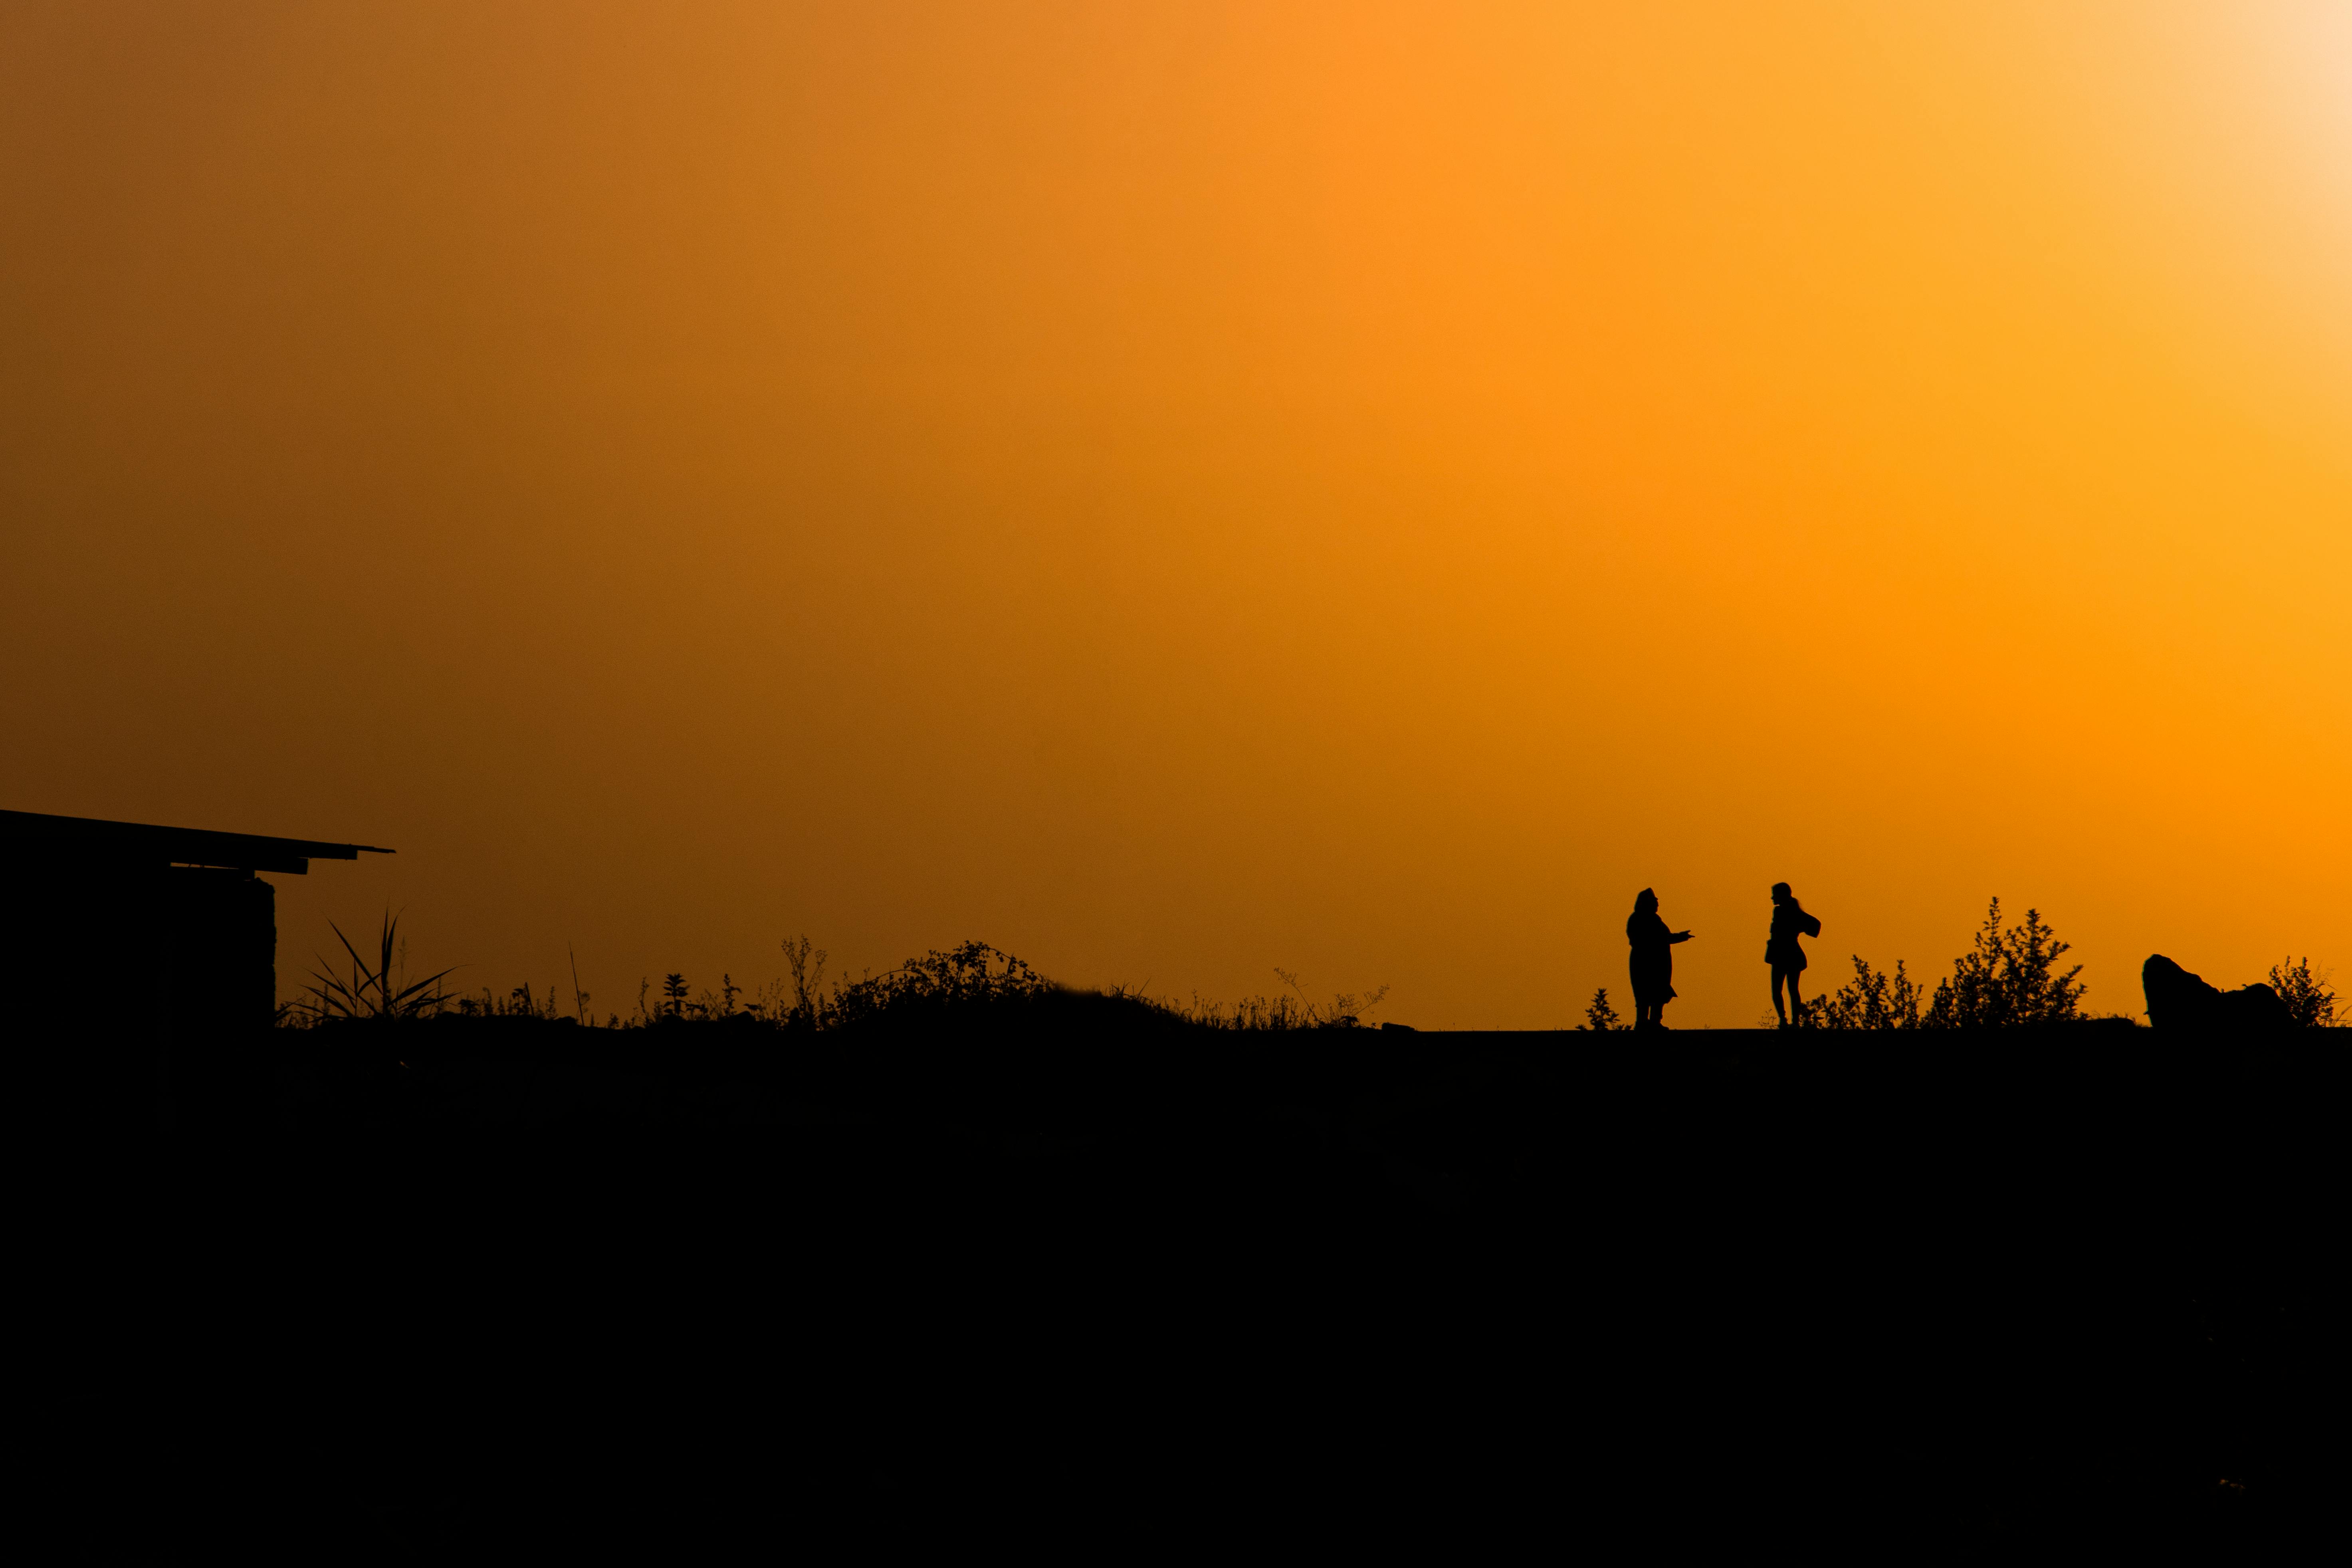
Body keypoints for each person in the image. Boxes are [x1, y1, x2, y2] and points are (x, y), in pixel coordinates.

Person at [1626, 888, 1693, 1030]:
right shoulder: (1638, 919)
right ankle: (1643, 1023)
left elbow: (1664, 938)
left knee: (1658, 993)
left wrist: (1680, 937)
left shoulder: (1654, 920)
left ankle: (1655, 1022)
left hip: (1659, 963)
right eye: (1655, 901)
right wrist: (1678, 937)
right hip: (1645, 962)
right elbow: (1658, 938)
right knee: (1644, 993)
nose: (1657, 903)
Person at [1767, 882, 1821, 1027]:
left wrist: (1801, 929)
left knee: (1785, 989)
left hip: (1785, 955)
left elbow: (1815, 924)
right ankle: (1786, 1021)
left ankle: (1789, 1021)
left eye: (1775, 894)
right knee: (1787, 989)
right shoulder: (1785, 911)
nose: (1772, 898)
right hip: (1785, 954)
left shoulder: (1787, 912)